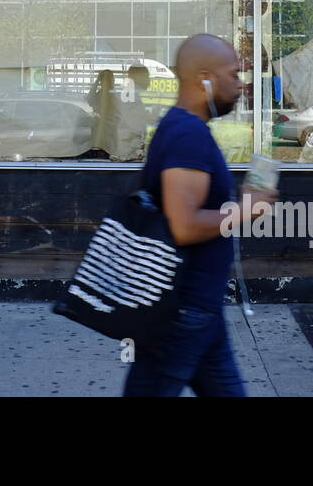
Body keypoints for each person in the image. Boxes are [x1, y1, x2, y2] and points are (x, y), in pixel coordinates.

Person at [123, 34, 277, 397]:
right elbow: (184, 225)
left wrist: (238, 205)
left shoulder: (186, 129)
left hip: (199, 308)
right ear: (204, 78)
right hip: (181, 312)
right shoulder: (186, 135)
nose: (242, 84)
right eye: (234, 74)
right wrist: (244, 211)